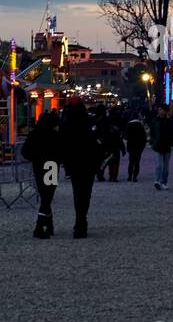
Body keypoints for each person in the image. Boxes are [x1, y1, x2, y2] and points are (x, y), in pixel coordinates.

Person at [60, 101, 101, 238]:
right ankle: (82, 220)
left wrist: (65, 164)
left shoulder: (66, 124)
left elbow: (64, 145)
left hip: (74, 163)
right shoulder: (89, 123)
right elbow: (96, 144)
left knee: (77, 193)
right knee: (86, 193)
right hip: (88, 163)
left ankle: (80, 221)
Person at [22, 110, 60, 239]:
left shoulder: (34, 135)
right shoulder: (55, 135)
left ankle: (48, 225)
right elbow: (62, 151)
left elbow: (25, 152)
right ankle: (40, 226)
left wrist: (35, 158)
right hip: (52, 167)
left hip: (39, 167)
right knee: (47, 197)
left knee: (45, 196)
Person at [149, 104, 173, 190]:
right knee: (159, 165)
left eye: (161, 109)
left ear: (165, 111)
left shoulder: (169, 122)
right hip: (157, 145)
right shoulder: (155, 121)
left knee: (166, 167)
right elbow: (152, 132)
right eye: (159, 109)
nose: (159, 111)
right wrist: (152, 142)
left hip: (166, 145)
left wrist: (172, 142)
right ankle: (157, 181)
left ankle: (164, 182)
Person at [124, 115, 147, 182]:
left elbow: (126, 136)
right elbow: (144, 137)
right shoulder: (140, 125)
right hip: (138, 146)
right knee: (137, 162)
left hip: (131, 145)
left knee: (131, 162)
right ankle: (135, 177)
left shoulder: (129, 124)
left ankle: (129, 176)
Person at [102, 118, 125, 182]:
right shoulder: (116, 130)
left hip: (109, 149)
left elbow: (104, 141)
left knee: (110, 163)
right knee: (116, 164)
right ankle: (114, 177)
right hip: (115, 149)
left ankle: (111, 176)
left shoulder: (106, 130)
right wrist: (123, 150)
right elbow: (120, 141)